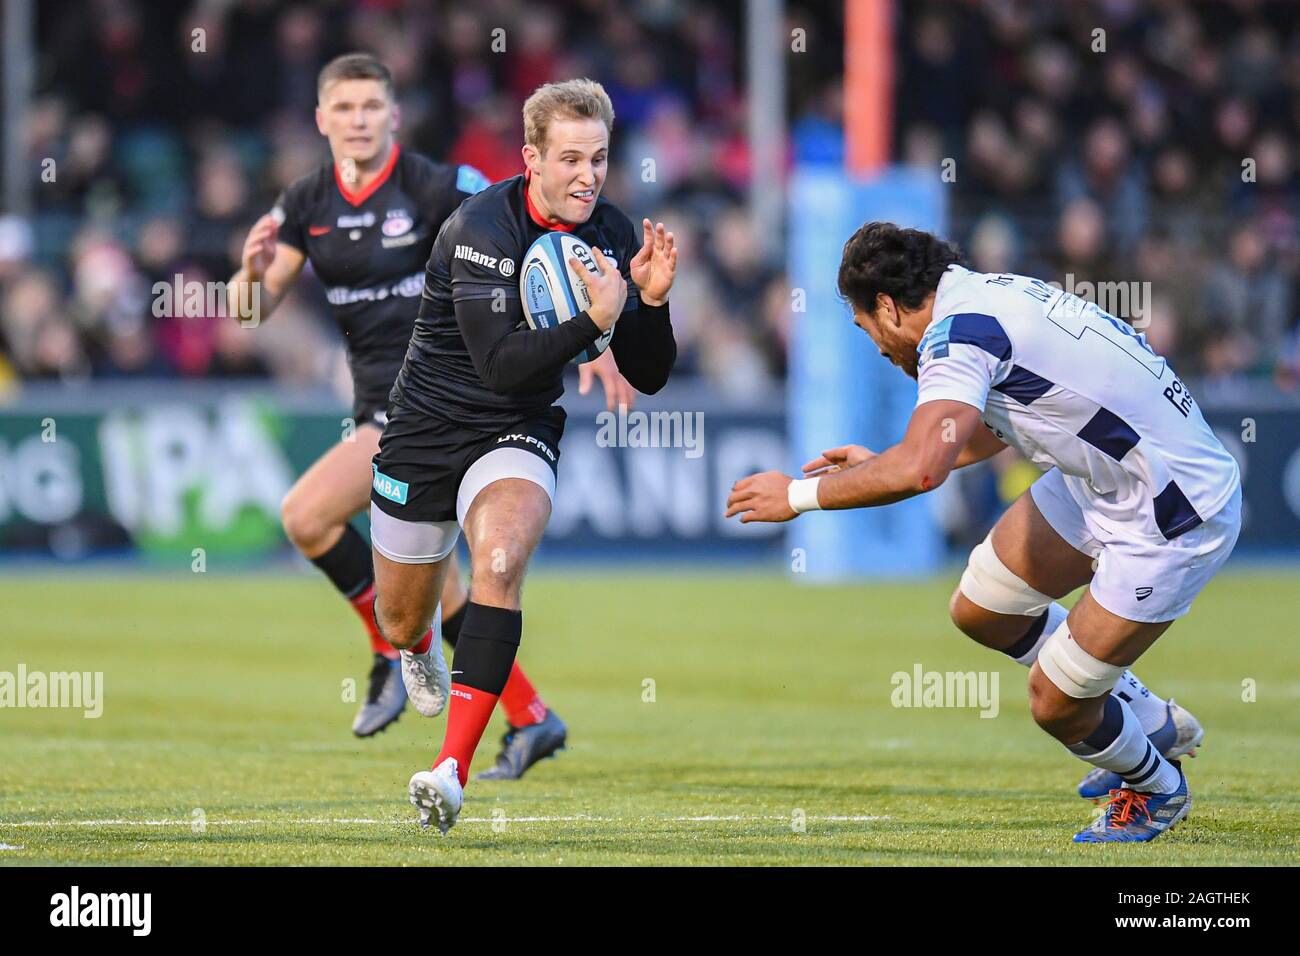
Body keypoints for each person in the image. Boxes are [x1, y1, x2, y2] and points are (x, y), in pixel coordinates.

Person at [727, 223, 1240, 843]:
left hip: (1171, 510)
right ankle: (1150, 718)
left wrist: (795, 496)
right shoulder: (985, 296)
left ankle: (1156, 787)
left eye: (869, 332)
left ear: (887, 307)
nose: (883, 352)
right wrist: (886, 459)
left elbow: (922, 469)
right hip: (1107, 478)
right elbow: (1002, 416)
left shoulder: (957, 332)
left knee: (1056, 702)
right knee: (983, 607)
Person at [229, 55, 626, 762]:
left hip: (433, 397)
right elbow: (254, 310)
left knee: (307, 514)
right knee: (432, 589)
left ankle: (392, 655)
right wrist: (246, 278)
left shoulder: (442, 189)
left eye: (372, 107)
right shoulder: (306, 203)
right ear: (323, 120)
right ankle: (528, 713)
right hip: (374, 403)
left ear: (394, 116)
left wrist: (596, 338)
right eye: (345, 109)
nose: (359, 121)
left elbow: (536, 238)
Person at [368, 78, 677, 833]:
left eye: (600, 158)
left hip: (517, 430)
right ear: (531, 158)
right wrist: (594, 322)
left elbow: (648, 371)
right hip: (426, 431)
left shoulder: (610, 232)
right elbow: (499, 360)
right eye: (571, 158)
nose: (588, 175)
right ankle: (418, 650)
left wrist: (653, 302)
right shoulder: (479, 228)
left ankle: (450, 771)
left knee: (499, 563)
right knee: (402, 621)